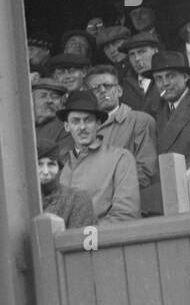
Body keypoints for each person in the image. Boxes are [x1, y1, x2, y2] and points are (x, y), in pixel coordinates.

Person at [56, 89, 140, 223]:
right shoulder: (60, 168)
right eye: (76, 121)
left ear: (99, 124)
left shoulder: (120, 158)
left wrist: (86, 236)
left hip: (106, 241)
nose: (82, 127)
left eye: (88, 120)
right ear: (67, 126)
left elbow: (126, 213)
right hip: (68, 242)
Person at [85, 64, 157, 191]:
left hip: (126, 201)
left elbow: (146, 172)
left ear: (119, 91)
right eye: (95, 88)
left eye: (107, 86)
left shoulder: (140, 121)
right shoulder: (83, 126)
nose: (102, 91)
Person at [151, 51, 190, 162]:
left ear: (185, 77)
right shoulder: (154, 110)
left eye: (170, 76)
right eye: (159, 79)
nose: (165, 83)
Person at [37, 141, 97, 229]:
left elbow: (78, 240)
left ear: (59, 168)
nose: (45, 171)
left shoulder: (77, 198)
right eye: (39, 164)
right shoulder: (18, 203)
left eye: (51, 164)